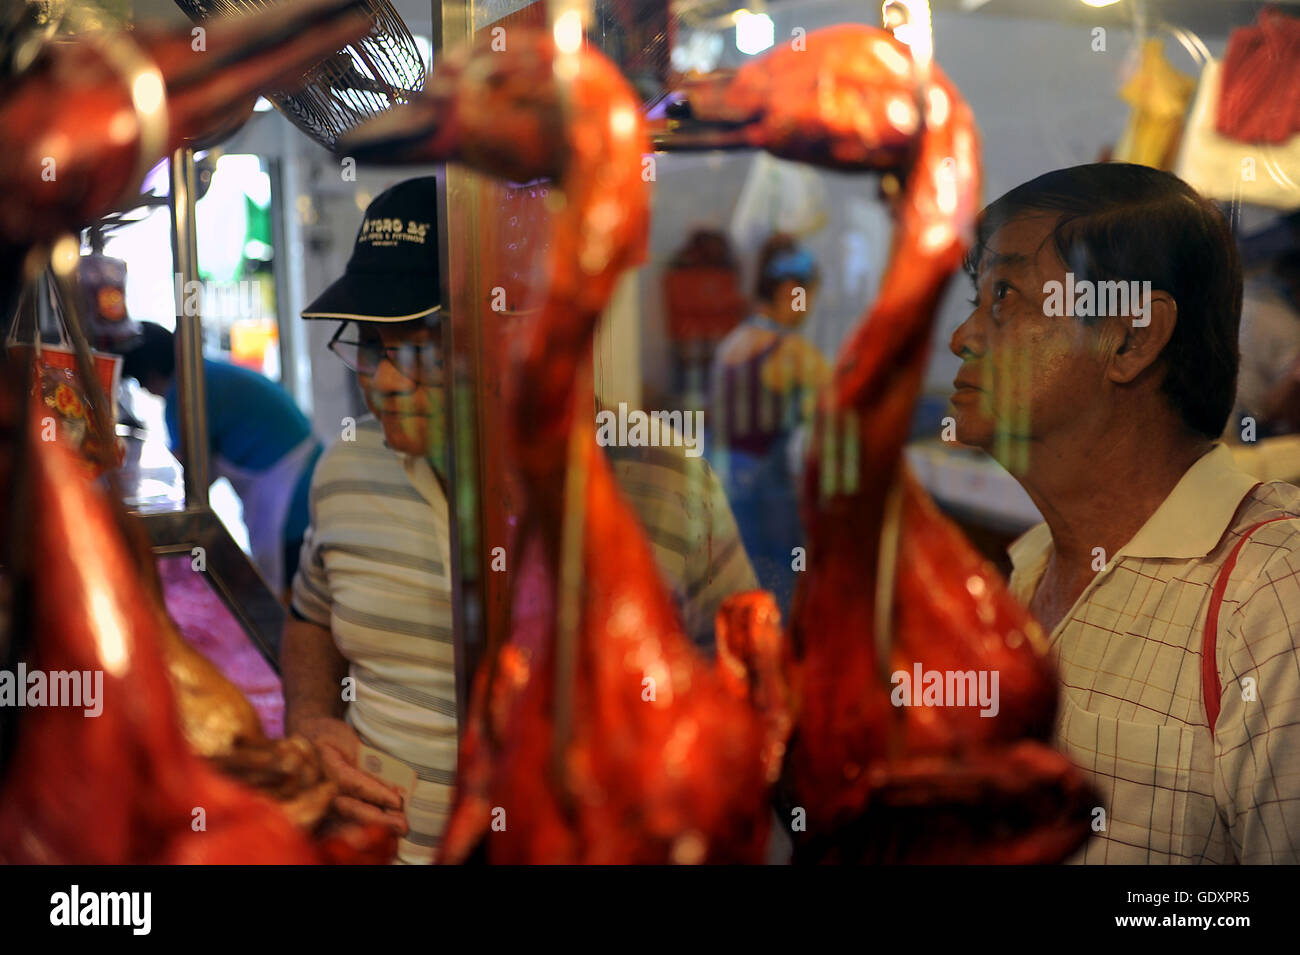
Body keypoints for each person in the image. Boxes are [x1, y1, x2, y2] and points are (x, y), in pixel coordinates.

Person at [283, 177, 757, 864]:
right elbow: (310, 619)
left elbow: (736, 675)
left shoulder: (658, 477)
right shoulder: (344, 472)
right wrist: (311, 716)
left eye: (416, 347)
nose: (382, 379)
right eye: (369, 345)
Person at [948, 161, 1300, 864]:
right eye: (977, 296)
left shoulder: (1269, 596)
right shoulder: (1027, 570)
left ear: (1132, 338)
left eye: (1005, 294)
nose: (963, 336)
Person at [121, 322, 322, 596]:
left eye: (140, 382)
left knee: (295, 592)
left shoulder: (186, 391)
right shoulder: (204, 374)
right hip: (302, 473)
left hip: (288, 489)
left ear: (149, 374)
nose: (145, 391)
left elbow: (193, 475)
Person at [711, 233, 831, 615]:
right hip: (771, 497)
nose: (809, 308)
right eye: (808, 296)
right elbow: (842, 412)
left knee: (740, 598)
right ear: (789, 292)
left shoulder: (730, 344)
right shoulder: (791, 351)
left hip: (725, 492)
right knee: (781, 598)